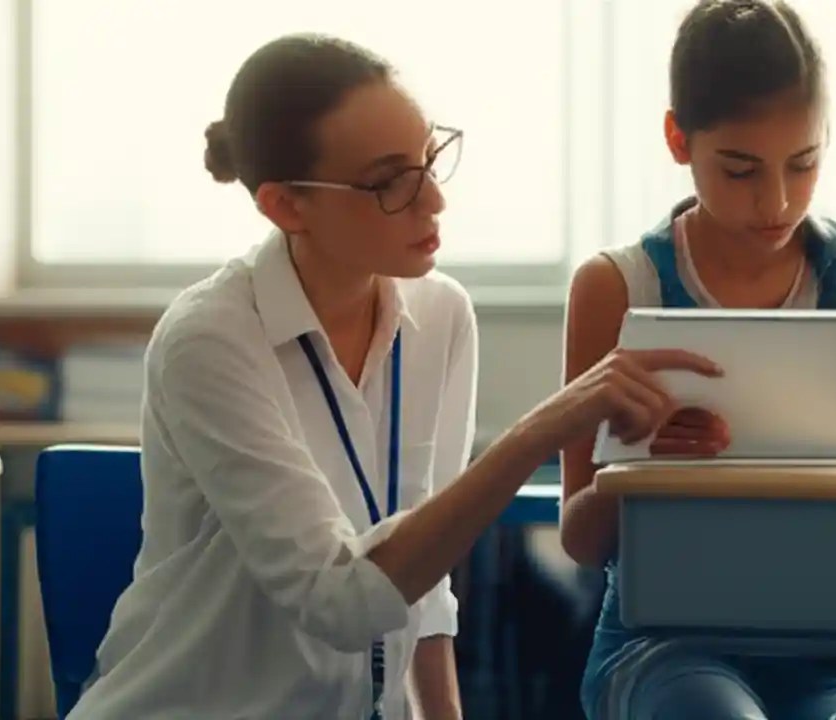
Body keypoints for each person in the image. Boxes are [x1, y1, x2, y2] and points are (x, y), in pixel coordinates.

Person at [66, 34, 720, 720]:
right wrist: (540, 431)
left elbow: (422, 582)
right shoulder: (210, 339)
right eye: (389, 182)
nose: (433, 201)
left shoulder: (441, 315)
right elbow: (338, 601)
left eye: (429, 160)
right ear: (286, 206)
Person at [560, 2, 836, 717]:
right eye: (741, 169)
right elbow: (579, 537)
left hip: (833, 644)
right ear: (677, 140)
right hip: (662, 642)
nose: (776, 202)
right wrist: (642, 472)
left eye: (804, 163)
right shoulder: (619, 286)